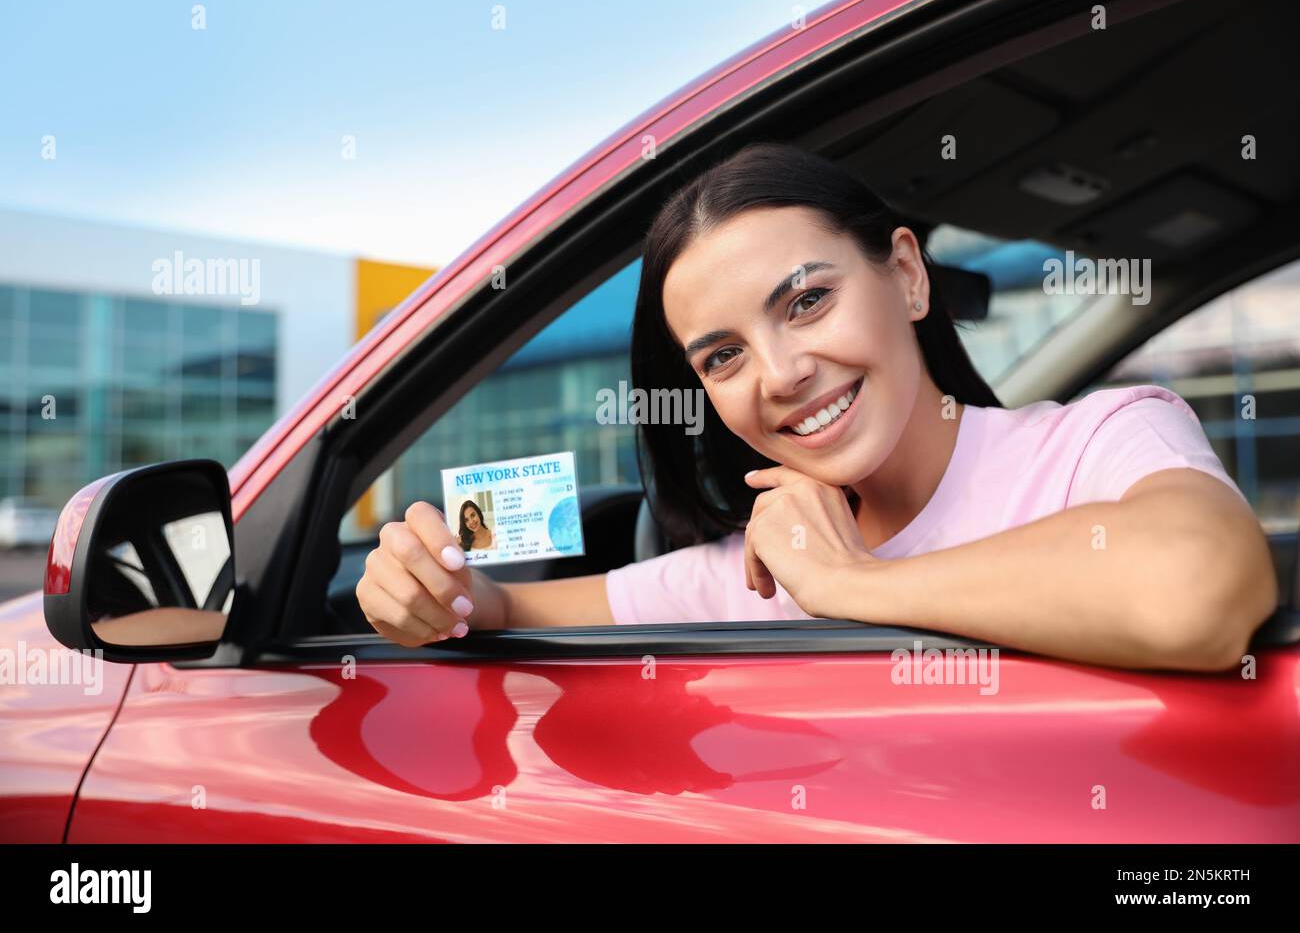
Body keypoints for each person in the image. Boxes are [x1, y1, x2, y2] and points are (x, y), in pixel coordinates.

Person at [356, 143, 1277, 670]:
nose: (782, 373)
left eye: (807, 301)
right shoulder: (752, 570)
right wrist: (443, 593)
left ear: (908, 277)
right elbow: (512, 605)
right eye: (723, 357)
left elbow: (1199, 587)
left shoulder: (1103, 441)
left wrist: (850, 588)